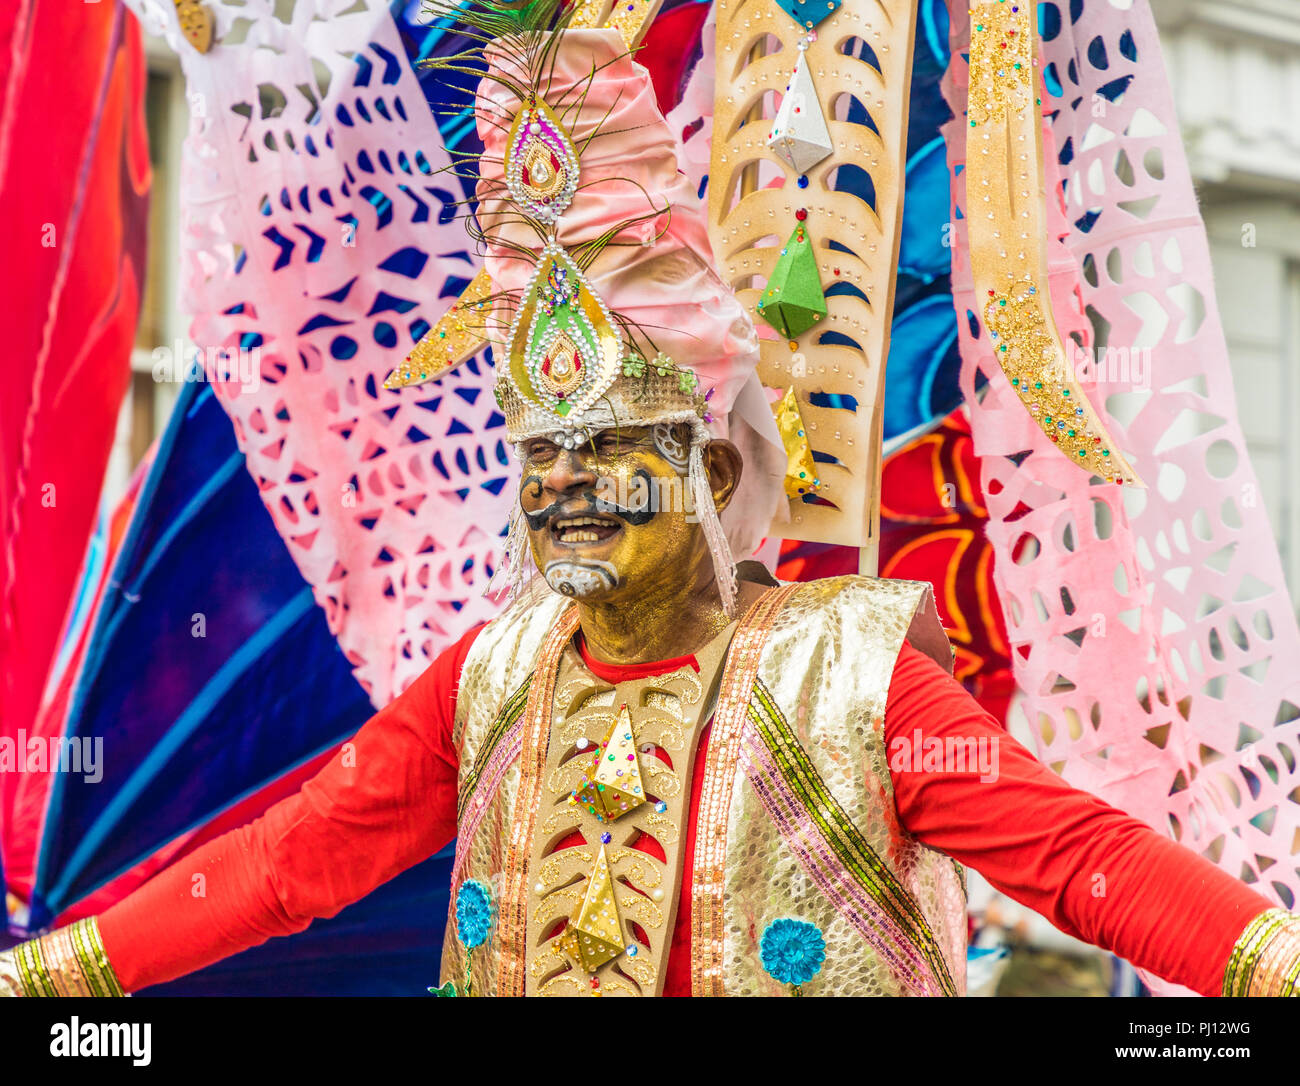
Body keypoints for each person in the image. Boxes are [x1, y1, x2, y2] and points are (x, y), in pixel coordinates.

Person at [4, 13, 1297, 999]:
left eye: (607, 448)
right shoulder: (492, 675)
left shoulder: (856, 679)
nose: (563, 486)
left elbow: (1083, 858)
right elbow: (287, 865)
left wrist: (1265, 965)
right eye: (545, 451)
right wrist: (49, 979)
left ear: (718, 473)